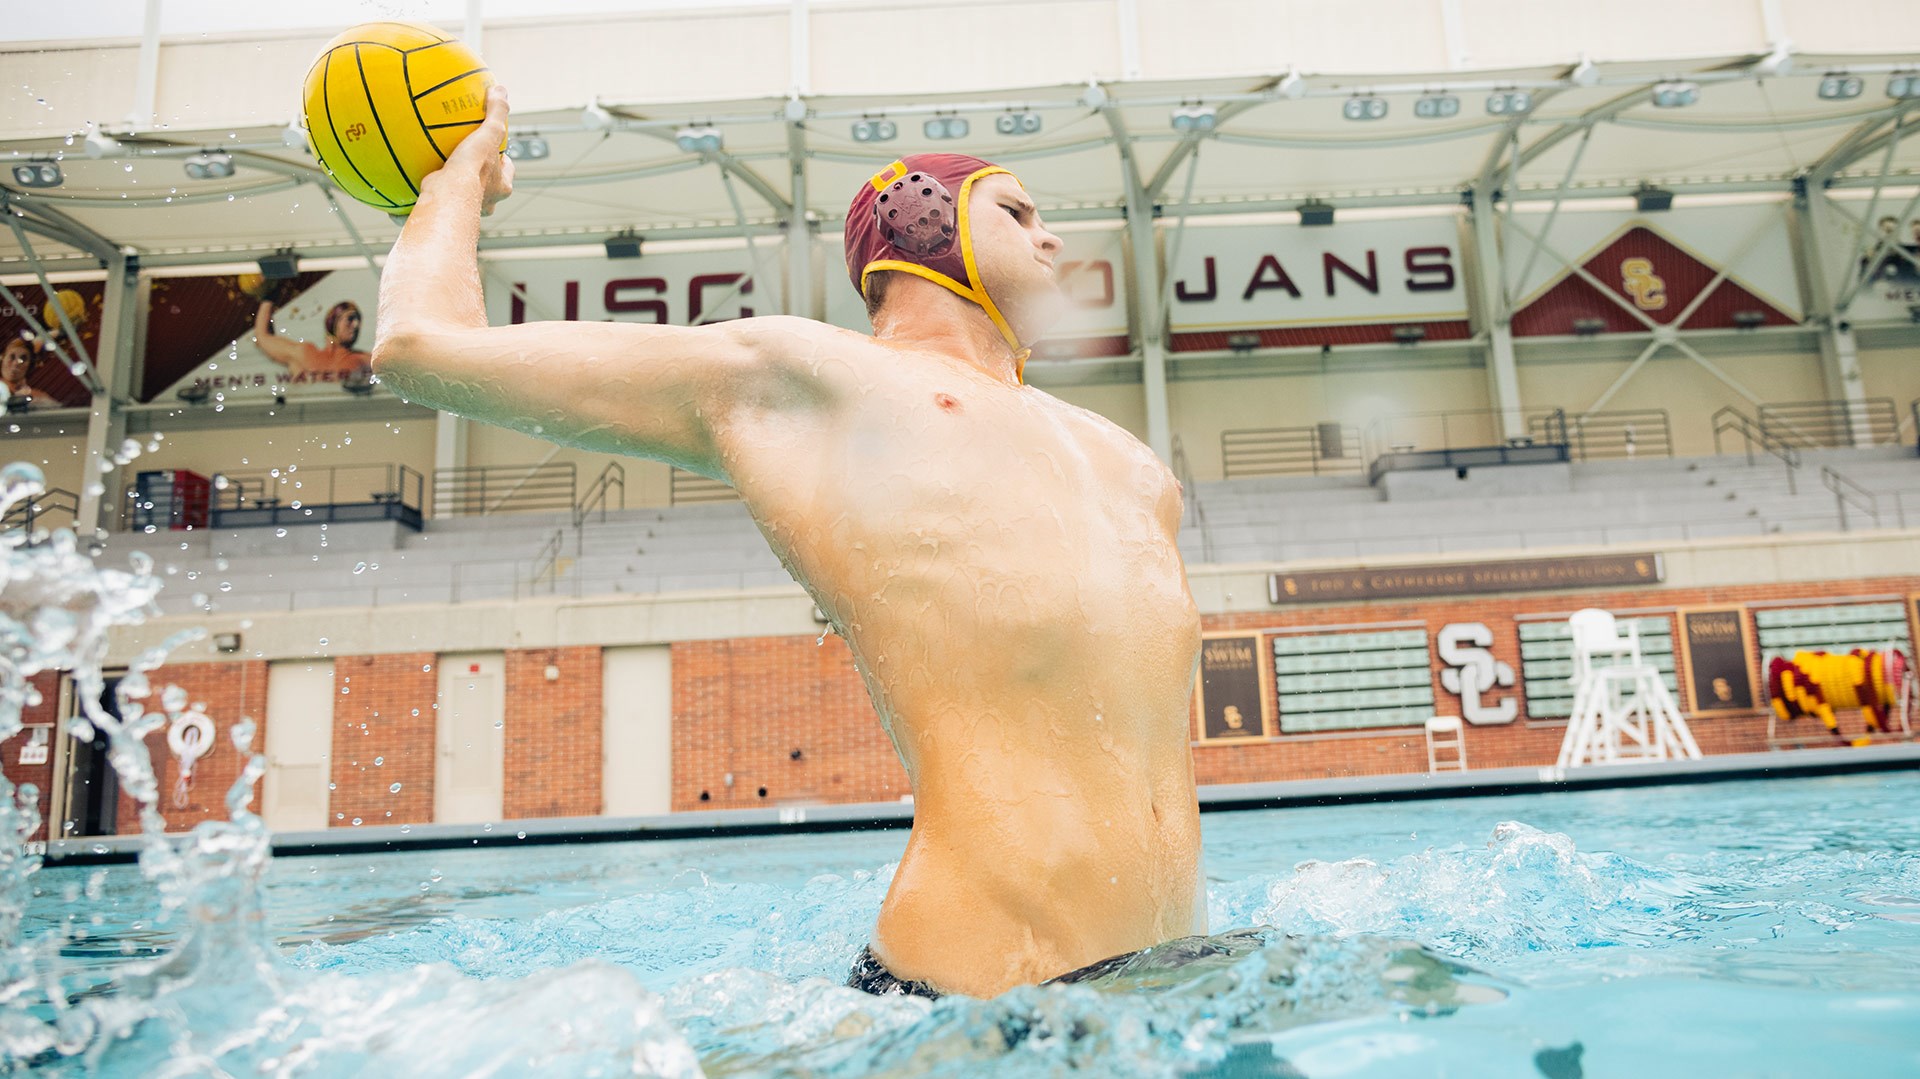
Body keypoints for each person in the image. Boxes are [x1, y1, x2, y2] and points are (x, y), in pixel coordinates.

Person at [373, 87, 1206, 999]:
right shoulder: (812, 381)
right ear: (920, 217)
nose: (1052, 238)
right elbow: (422, 346)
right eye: (1018, 211)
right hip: (968, 998)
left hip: (1169, 973)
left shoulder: (1128, 464)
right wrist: (460, 175)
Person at [253, 297, 373, 390]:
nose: (356, 325)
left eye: (358, 320)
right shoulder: (304, 353)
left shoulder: (364, 360)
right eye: (351, 319)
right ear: (333, 322)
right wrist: (269, 296)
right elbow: (262, 337)